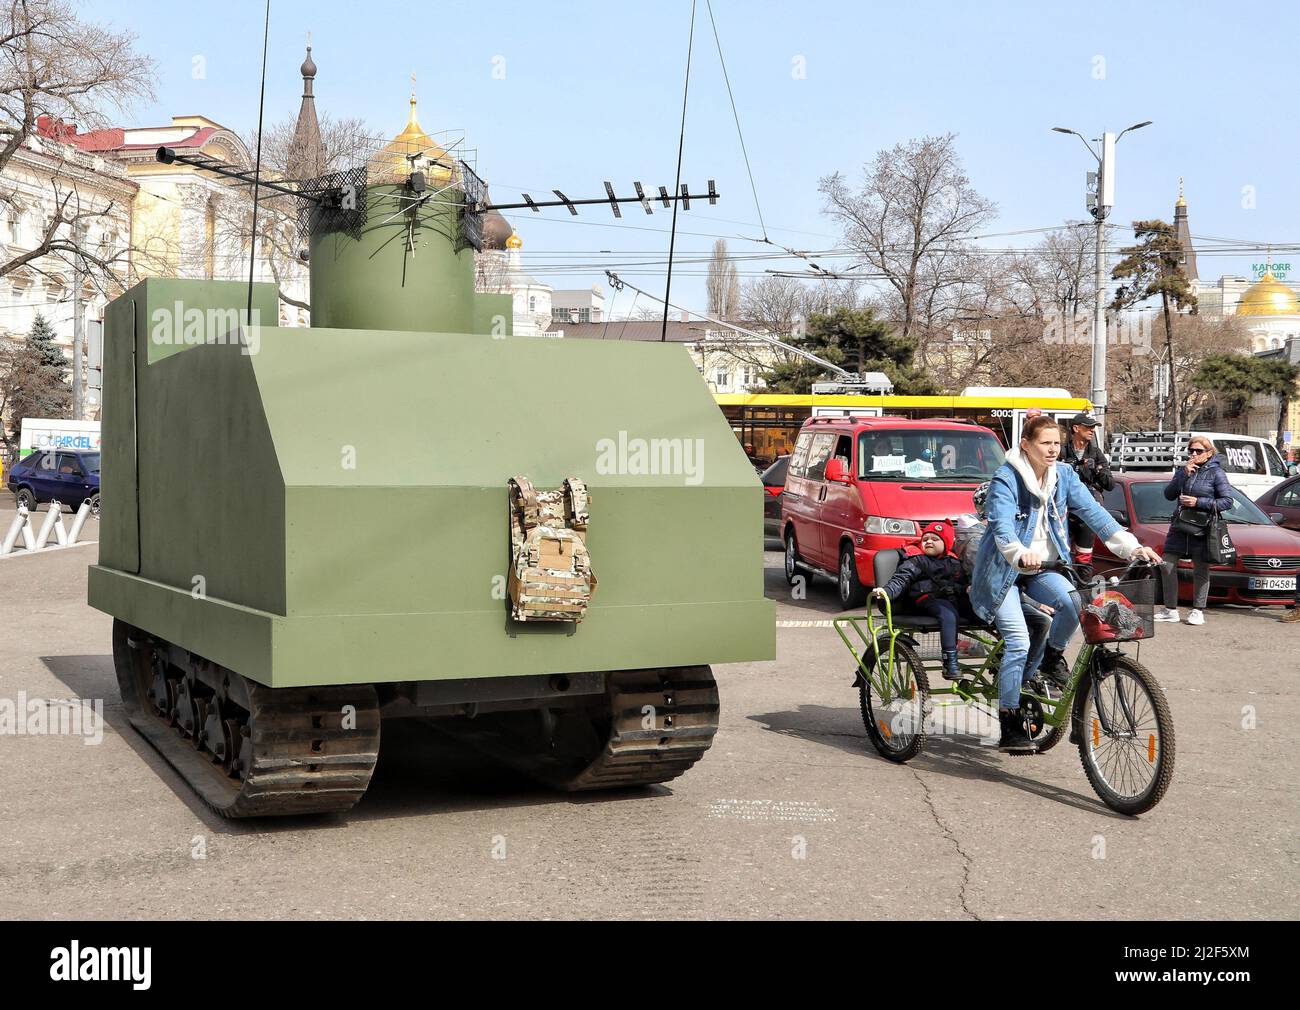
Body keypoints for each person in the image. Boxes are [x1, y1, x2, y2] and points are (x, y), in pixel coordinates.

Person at [970, 415, 1162, 752]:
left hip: (1046, 567)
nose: (1053, 449)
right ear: (1026, 445)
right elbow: (1001, 526)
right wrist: (1019, 552)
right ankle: (1009, 719)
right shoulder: (1007, 479)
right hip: (1003, 572)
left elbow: (1094, 513)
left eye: (1057, 443)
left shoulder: (1064, 476)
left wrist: (1133, 546)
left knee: (1075, 603)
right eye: (1045, 443)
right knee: (1017, 641)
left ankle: (1049, 658)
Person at [872, 521, 971, 681]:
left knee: (982, 611)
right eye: (925, 539)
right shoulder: (916, 560)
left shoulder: (954, 562)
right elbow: (900, 580)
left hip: (953, 599)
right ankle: (950, 662)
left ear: (946, 543)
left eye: (935, 539)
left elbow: (963, 582)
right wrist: (886, 591)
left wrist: (968, 588)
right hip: (926, 600)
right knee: (948, 615)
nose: (929, 542)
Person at [1154, 435, 1234, 627]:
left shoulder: (1217, 473)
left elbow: (1227, 501)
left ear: (1209, 453)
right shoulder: (1184, 470)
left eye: (1198, 451)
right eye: (1191, 451)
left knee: (1201, 568)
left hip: (1203, 526)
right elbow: (1168, 494)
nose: (1194, 454)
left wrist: (1199, 502)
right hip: (1180, 525)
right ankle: (1170, 609)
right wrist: (1183, 474)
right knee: (1167, 563)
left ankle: (1198, 610)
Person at [1060, 412, 1114, 579]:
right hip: (1063, 513)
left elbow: (1109, 485)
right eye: (1088, 427)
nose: (1092, 430)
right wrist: (1064, 467)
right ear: (1076, 428)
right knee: (1061, 559)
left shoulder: (1096, 453)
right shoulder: (1061, 451)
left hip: (1086, 517)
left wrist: (1095, 469)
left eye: (1093, 427)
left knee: (1084, 559)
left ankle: (1084, 599)